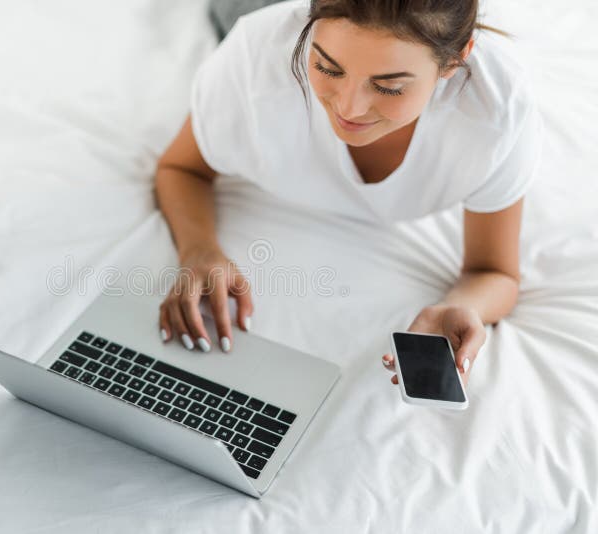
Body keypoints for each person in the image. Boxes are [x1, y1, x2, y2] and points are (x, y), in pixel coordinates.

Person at [153, 0, 543, 388]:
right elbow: (181, 169)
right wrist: (199, 249)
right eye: (326, 67)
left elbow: (493, 272)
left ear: (455, 62)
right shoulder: (254, 59)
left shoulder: (495, 112)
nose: (349, 108)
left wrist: (463, 306)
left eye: (388, 86)